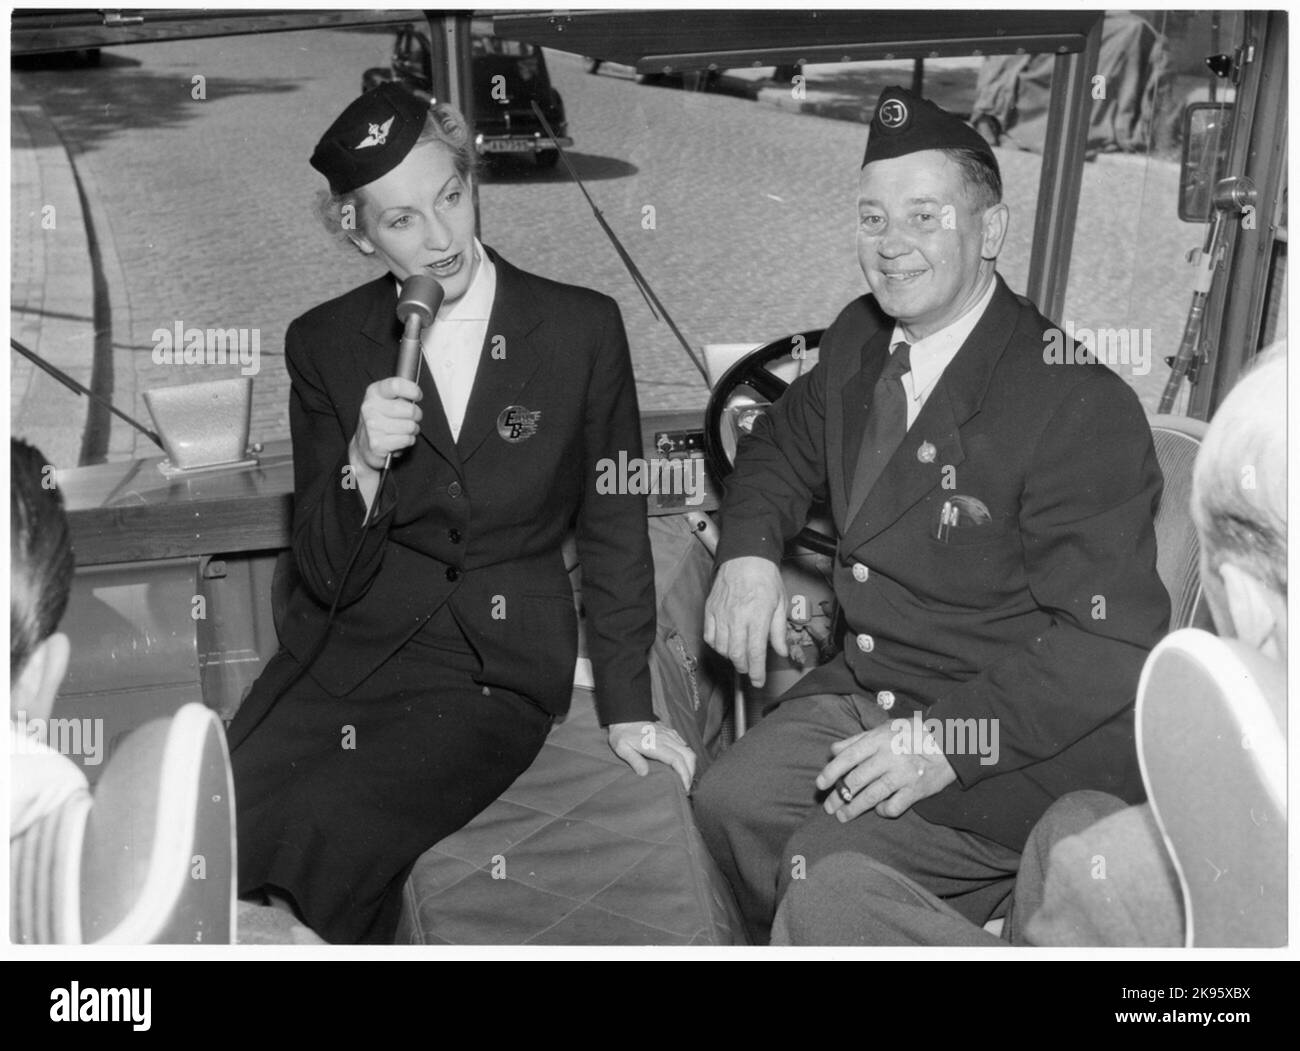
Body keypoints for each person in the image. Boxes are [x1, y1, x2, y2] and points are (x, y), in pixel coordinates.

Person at [694, 85, 1169, 944]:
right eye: (872, 219)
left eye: (923, 216)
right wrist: (750, 552)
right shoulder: (858, 338)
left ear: (990, 231)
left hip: (1006, 740)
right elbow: (778, 446)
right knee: (722, 800)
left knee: (819, 869)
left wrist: (942, 741)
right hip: (872, 685)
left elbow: (1112, 642)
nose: (891, 247)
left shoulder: (1077, 404)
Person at [225, 84, 694, 944]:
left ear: (473, 180)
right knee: (218, 826)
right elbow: (325, 573)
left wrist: (630, 703)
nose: (441, 239)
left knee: (337, 825)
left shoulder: (583, 328)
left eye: (450, 196)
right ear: (358, 232)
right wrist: (361, 462)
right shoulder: (324, 344)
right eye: (402, 221)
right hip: (346, 646)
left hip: (492, 662)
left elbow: (615, 524)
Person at [772, 347, 1286, 946]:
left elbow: (1106, 643)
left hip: (1020, 749)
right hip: (969, 730)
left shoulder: (1122, 875)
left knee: (828, 897)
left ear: (1246, 603)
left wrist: (948, 739)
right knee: (1068, 828)